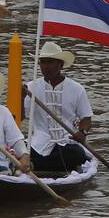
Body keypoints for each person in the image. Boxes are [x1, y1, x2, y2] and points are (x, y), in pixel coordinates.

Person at [23, 42, 94, 173]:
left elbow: (86, 118)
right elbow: (19, 117)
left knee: (76, 154)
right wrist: (21, 97)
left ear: (60, 64)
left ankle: (36, 165)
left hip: (66, 141)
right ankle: (36, 164)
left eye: (50, 62)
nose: (46, 66)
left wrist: (82, 133)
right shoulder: (31, 88)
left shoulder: (77, 89)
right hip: (39, 142)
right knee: (20, 150)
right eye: (43, 62)